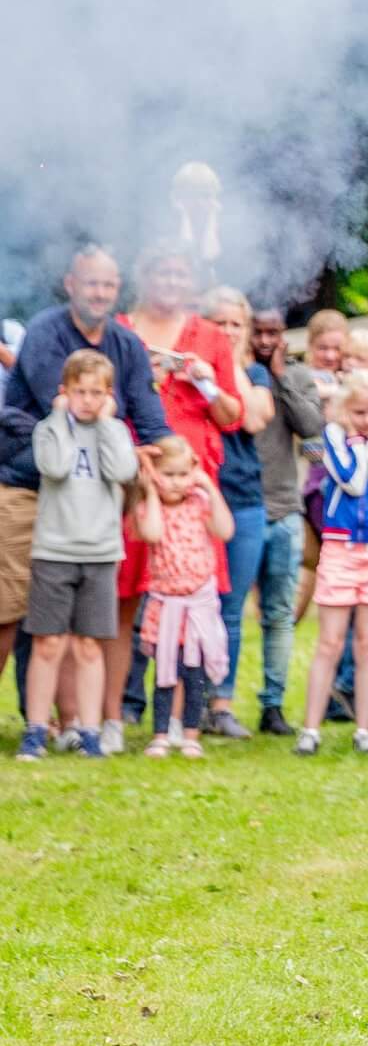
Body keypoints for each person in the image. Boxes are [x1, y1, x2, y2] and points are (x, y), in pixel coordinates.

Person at [0, 247, 169, 715]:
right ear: (70, 284)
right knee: (9, 607)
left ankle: (68, 722)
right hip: (25, 484)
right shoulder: (43, 333)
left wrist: (169, 458)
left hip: (90, 496)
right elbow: (77, 409)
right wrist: (123, 444)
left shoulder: (127, 345)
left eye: (108, 285)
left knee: (74, 618)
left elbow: (152, 421)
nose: (100, 293)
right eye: (91, 283)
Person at [117, 246, 243, 737]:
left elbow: (232, 417)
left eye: (180, 273)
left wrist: (207, 384)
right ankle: (119, 705)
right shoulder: (123, 330)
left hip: (191, 487)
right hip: (136, 478)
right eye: (162, 271)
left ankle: (184, 717)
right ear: (144, 277)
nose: (171, 281)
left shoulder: (208, 336)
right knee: (125, 592)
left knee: (189, 592)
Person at [21, 351, 139, 759]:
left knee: (90, 645)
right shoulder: (48, 430)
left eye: (96, 393)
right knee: (48, 643)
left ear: (108, 395)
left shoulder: (114, 430)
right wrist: (60, 420)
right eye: (79, 392)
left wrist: (106, 423)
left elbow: (123, 470)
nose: (87, 400)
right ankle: (36, 729)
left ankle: (90, 731)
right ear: (64, 392)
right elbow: (54, 467)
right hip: (55, 549)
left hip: (101, 551)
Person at [302, 369, 368, 755]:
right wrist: (361, 444)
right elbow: (352, 482)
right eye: (358, 413)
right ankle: (310, 729)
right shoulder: (332, 437)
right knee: (329, 642)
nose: (366, 420)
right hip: (340, 547)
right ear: (345, 411)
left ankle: (365, 728)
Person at [244, 308, 324, 736]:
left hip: (284, 508)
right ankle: (214, 703)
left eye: (274, 332)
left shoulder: (297, 376)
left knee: (279, 613)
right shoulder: (232, 374)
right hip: (238, 505)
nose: (266, 340)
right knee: (223, 612)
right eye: (258, 331)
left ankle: (272, 705)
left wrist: (281, 377)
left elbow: (311, 428)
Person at [199, 288, 275, 739]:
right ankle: (147, 701)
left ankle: (220, 704)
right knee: (175, 600)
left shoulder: (255, 372)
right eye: (218, 323)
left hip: (244, 498)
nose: (226, 332)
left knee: (231, 608)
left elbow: (253, 419)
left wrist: (226, 365)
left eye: (235, 324)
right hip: (194, 498)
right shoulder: (190, 370)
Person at [135, 435, 233, 758]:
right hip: (167, 604)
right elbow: (151, 534)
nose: (176, 483)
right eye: (168, 475)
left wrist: (209, 487)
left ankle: (191, 733)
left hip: (197, 605)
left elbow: (225, 530)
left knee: (195, 674)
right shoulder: (150, 508)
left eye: (182, 474)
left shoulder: (200, 504)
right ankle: (162, 733)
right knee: (166, 671)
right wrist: (150, 491)